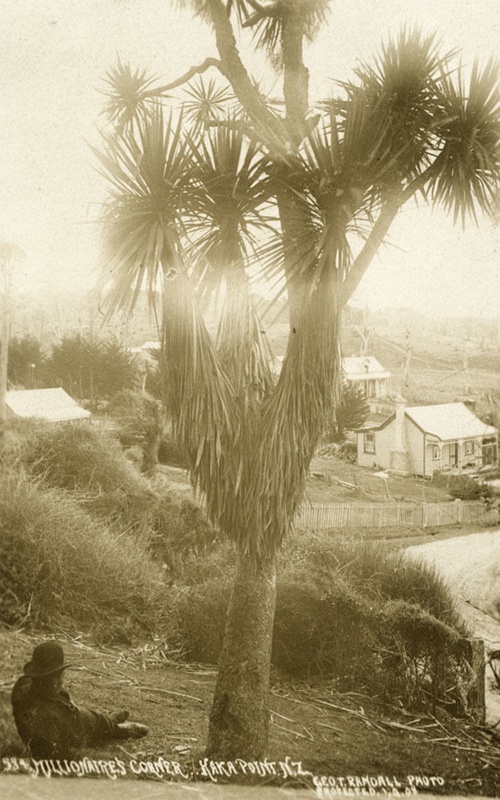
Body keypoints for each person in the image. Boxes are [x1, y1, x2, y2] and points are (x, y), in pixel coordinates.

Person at [11, 641, 148, 760]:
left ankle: (111, 720)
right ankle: (118, 729)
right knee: (97, 722)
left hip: (68, 716)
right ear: (54, 681)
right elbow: (57, 754)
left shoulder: (23, 686)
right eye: (61, 676)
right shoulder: (50, 718)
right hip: (78, 727)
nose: (62, 680)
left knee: (94, 717)